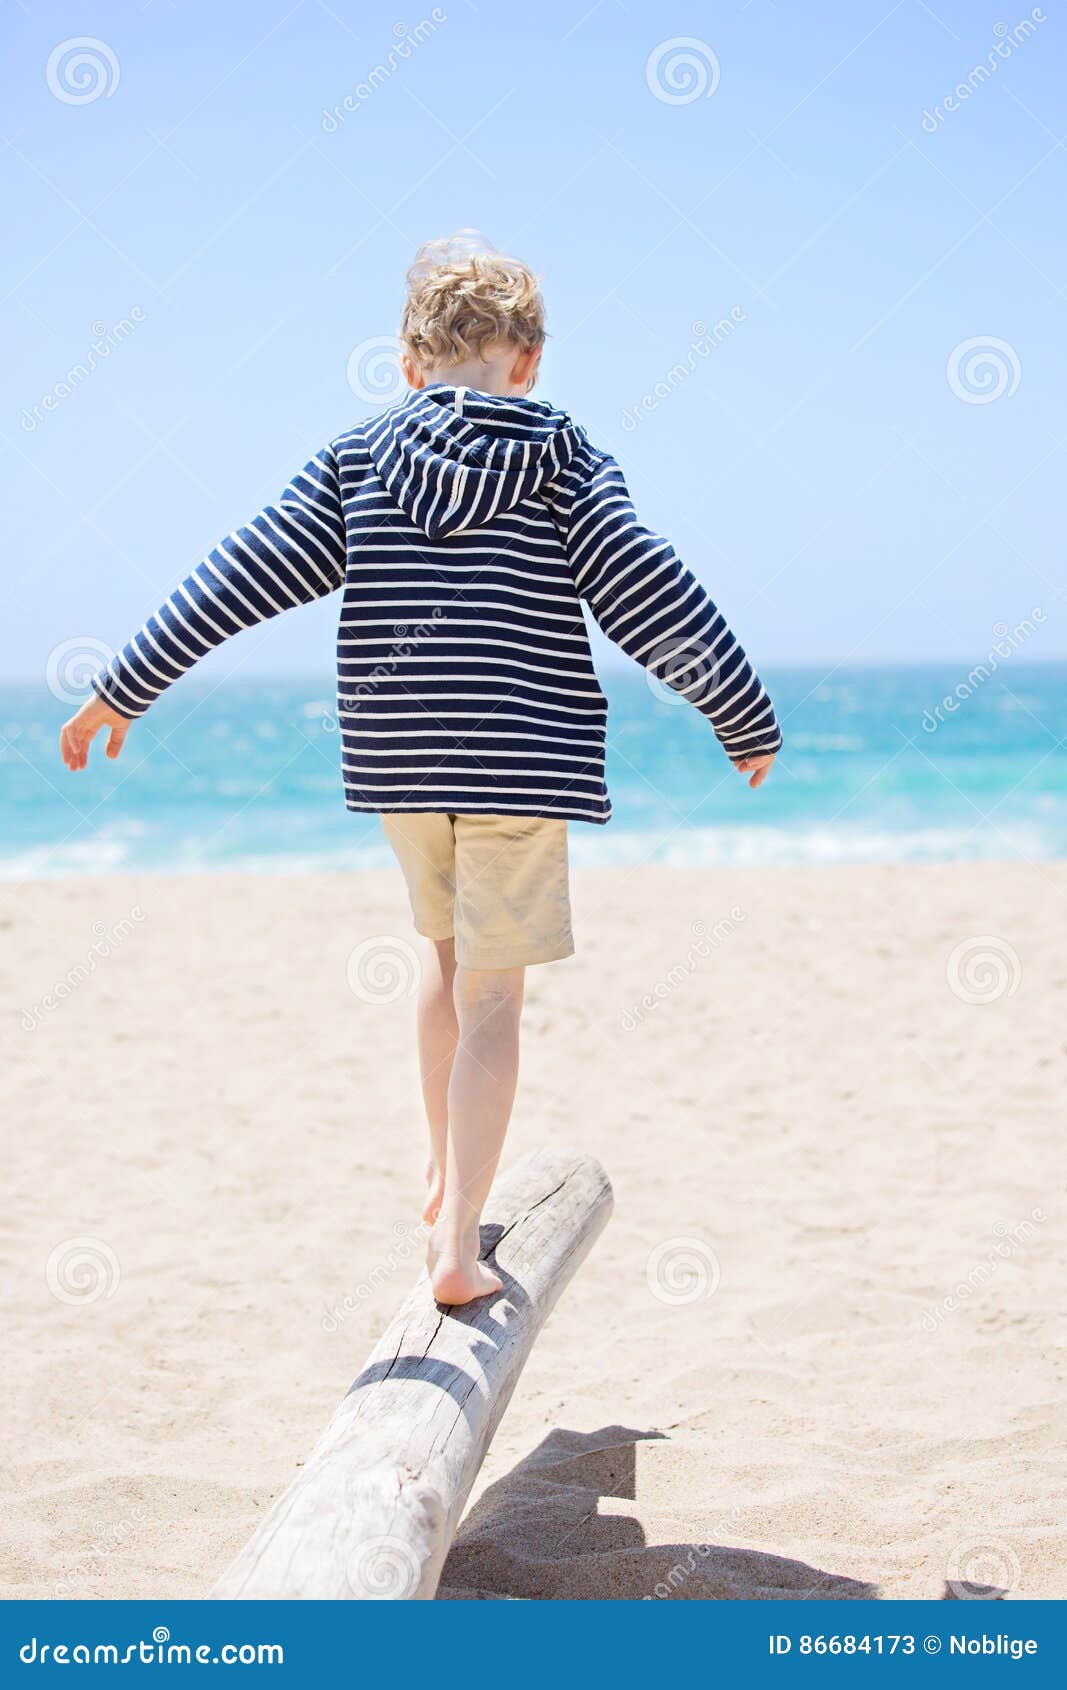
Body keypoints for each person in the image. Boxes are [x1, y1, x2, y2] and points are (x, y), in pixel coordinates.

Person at [60, 232, 781, 1305]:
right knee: (495, 998)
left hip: (402, 760)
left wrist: (128, 681)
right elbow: (644, 584)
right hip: (517, 761)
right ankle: (455, 1247)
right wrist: (736, 707)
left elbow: (242, 572)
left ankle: (442, 1175)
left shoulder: (358, 458)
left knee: (443, 960)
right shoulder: (563, 456)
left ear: (408, 365)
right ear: (528, 360)